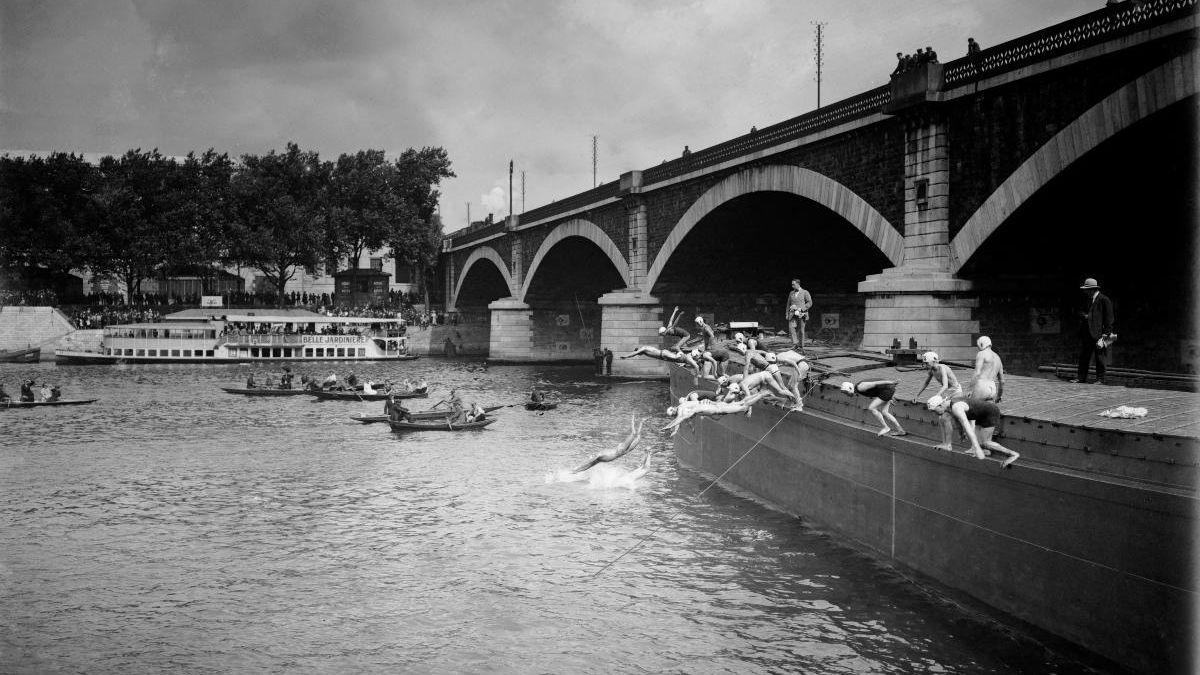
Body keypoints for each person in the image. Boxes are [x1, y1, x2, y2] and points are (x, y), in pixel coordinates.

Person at [928, 395, 1019, 468]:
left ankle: (1013, 454)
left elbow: (967, 426)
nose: (933, 413)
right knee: (981, 444)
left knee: (985, 443)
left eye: (933, 410)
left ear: (940, 405)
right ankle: (984, 450)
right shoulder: (948, 406)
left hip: (990, 413)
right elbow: (957, 419)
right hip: (979, 414)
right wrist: (961, 433)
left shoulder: (956, 407)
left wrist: (976, 448)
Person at [662, 392, 768, 436]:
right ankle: (759, 394)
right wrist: (670, 426)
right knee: (741, 403)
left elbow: (681, 418)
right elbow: (683, 419)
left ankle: (762, 394)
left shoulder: (689, 410)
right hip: (717, 406)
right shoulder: (692, 405)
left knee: (743, 406)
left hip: (720, 409)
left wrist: (670, 427)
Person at [1074, 278, 1115, 385]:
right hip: (1087, 334)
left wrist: (1106, 334)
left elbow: (1109, 318)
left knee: (1100, 357)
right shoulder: (1088, 300)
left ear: (1092, 289)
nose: (1085, 292)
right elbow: (1082, 311)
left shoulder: (1104, 300)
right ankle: (1081, 378)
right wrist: (1085, 316)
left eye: (1087, 290)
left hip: (1099, 334)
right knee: (1084, 357)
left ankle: (1100, 379)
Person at [572, 416, 646, 473]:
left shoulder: (623, 448)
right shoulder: (627, 449)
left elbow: (634, 434)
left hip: (608, 456)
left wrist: (632, 420)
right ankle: (576, 470)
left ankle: (576, 470)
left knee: (591, 462)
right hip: (609, 458)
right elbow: (638, 436)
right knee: (590, 463)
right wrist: (641, 423)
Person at [839, 379, 907, 436]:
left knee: (871, 407)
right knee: (884, 412)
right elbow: (877, 390)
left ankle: (886, 427)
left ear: (850, 388)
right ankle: (900, 430)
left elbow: (876, 383)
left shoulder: (860, 387)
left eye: (846, 393)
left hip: (887, 390)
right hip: (887, 390)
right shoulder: (858, 389)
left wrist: (891, 382)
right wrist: (890, 397)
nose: (847, 395)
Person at [969, 336, 1004, 402]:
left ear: (981, 344)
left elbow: (977, 373)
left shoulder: (981, 354)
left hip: (981, 386)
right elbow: (1002, 381)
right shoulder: (998, 358)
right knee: (986, 411)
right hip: (993, 388)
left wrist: (969, 389)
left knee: (970, 408)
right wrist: (999, 396)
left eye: (978, 346)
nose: (978, 349)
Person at [786, 279, 813, 349]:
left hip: (801, 313)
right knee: (791, 328)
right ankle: (795, 344)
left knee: (801, 330)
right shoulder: (791, 293)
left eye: (793, 284)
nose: (792, 286)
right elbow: (788, 304)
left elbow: (810, 303)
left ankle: (801, 345)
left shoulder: (805, 292)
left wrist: (802, 309)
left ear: (798, 284)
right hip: (792, 314)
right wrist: (787, 314)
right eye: (792, 284)